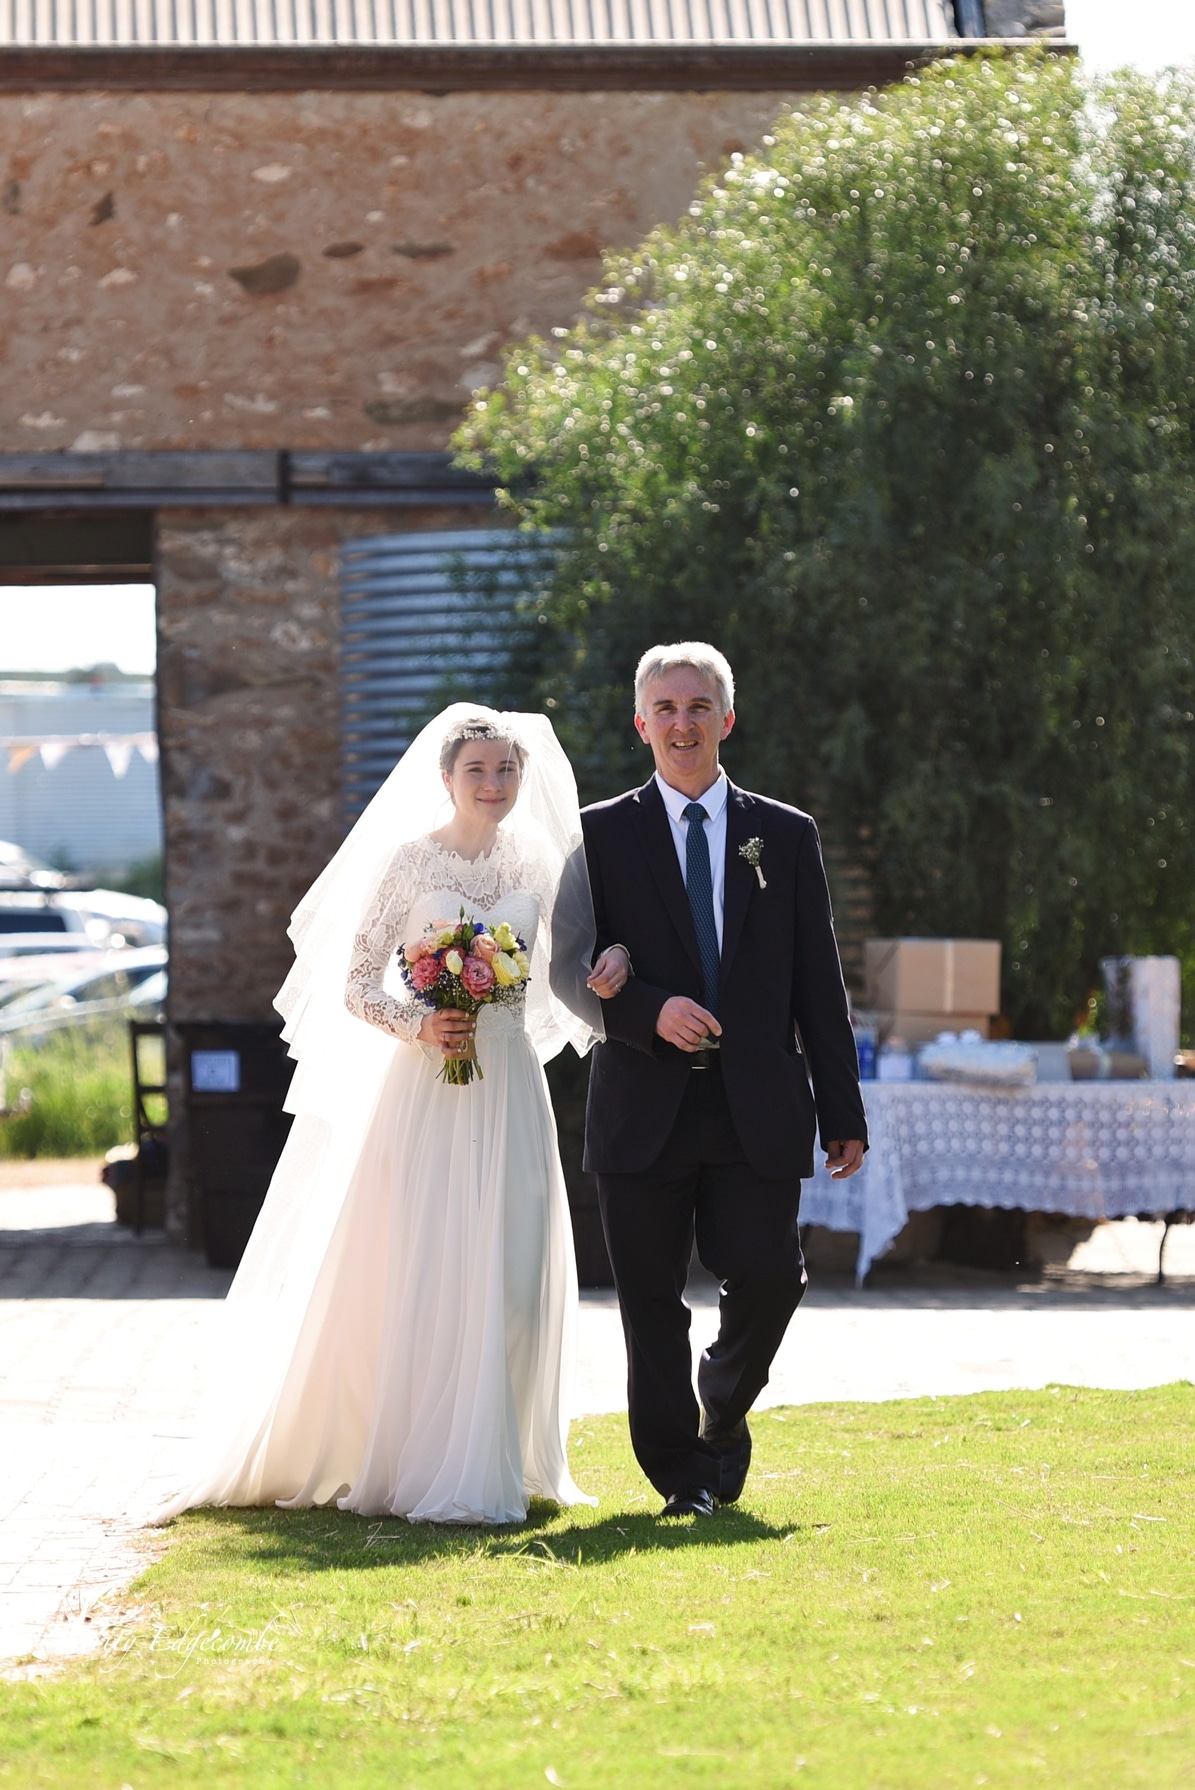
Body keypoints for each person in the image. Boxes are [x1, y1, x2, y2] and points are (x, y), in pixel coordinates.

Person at [158, 707, 602, 1526]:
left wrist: (603, 973)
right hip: (426, 1084)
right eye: (478, 771)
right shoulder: (409, 862)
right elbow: (358, 982)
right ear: (446, 779)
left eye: (506, 770)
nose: (495, 784)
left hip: (506, 1080)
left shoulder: (541, 862)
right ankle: (410, 1450)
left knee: (510, 1259)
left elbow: (564, 968)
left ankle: (496, 1446)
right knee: (423, 1259)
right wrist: (420, 1022)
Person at [579, 643, 868, 1518]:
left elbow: (819, 981)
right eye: (663, 708)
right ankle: (684, 1477)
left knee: (772, 1276)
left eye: (698, 706)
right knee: (651, 1311)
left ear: (726, 719)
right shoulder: (596, 835)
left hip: (757, 1105)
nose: (681, 722)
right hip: (641, 1104)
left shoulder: (783, 834)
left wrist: (841, 1108)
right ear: (640, 724)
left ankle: (722, 1401)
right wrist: (645, 1012)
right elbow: (567, 968)